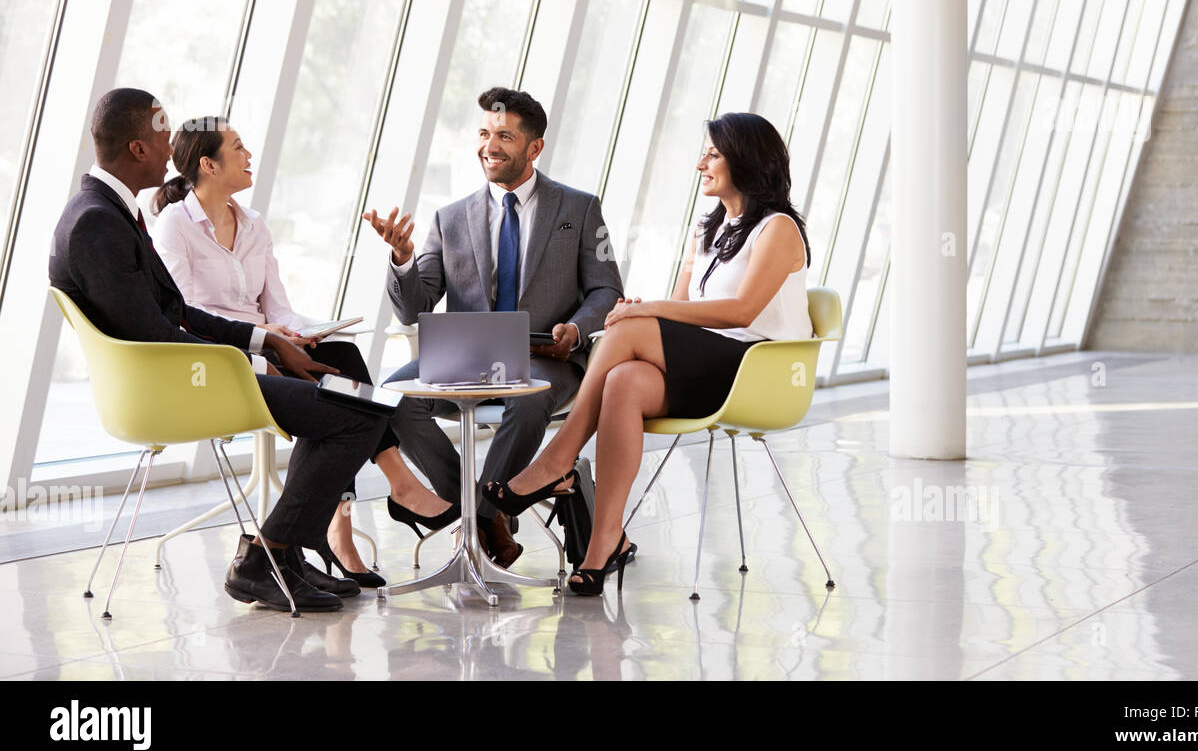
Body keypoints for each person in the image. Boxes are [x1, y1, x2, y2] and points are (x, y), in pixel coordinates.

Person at [49, 87, 391, 613]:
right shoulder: (98, 221)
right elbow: (153, 336)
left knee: (355, 396)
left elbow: (177, 312)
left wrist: (267, 339)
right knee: (356, 416)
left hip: (193, 371)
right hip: (181, 385)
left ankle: (282, 553)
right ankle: (269, 555)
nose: (171, 151)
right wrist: (251, 360)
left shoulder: (112, 211)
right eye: (164, 138)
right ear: (138, 148)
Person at [483, 112, 812, 595]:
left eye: (713, 154)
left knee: (632, 324)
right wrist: (645, 311)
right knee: (624, 381)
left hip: (756, 370)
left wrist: (647, 312)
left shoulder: (777, 228)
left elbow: (743, 311)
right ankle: (603, 546)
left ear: (745, 160)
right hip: (705, 367)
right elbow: (682, 308)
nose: (702, 162)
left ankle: (557, 460)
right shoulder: (710, 229)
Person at [151, 116, 457, 587]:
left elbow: (279, 309)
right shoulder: (175, 226)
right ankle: (379, 501)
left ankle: (346, 523)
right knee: (343, 394)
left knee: (342, 358)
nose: (249, 155)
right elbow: (187, 314)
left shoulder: (252, 225)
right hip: (220, 362)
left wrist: (308, 331)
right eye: (238, 147)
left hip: (268, 350)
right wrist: (267, 334)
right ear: (208, 165)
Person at [363, 87, 624, 568]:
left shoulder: (580, 209)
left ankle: (478, 518)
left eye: (504, 135)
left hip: (548, 357)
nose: (490, 145)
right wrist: (402, 259)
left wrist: (578, 327)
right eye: (484, 133)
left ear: (534, 147)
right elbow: (413, 305)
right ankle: (485, 517)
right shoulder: (450, 218)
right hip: (468, 357)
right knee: (393, 397)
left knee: (527, 406)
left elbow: (607, 289)